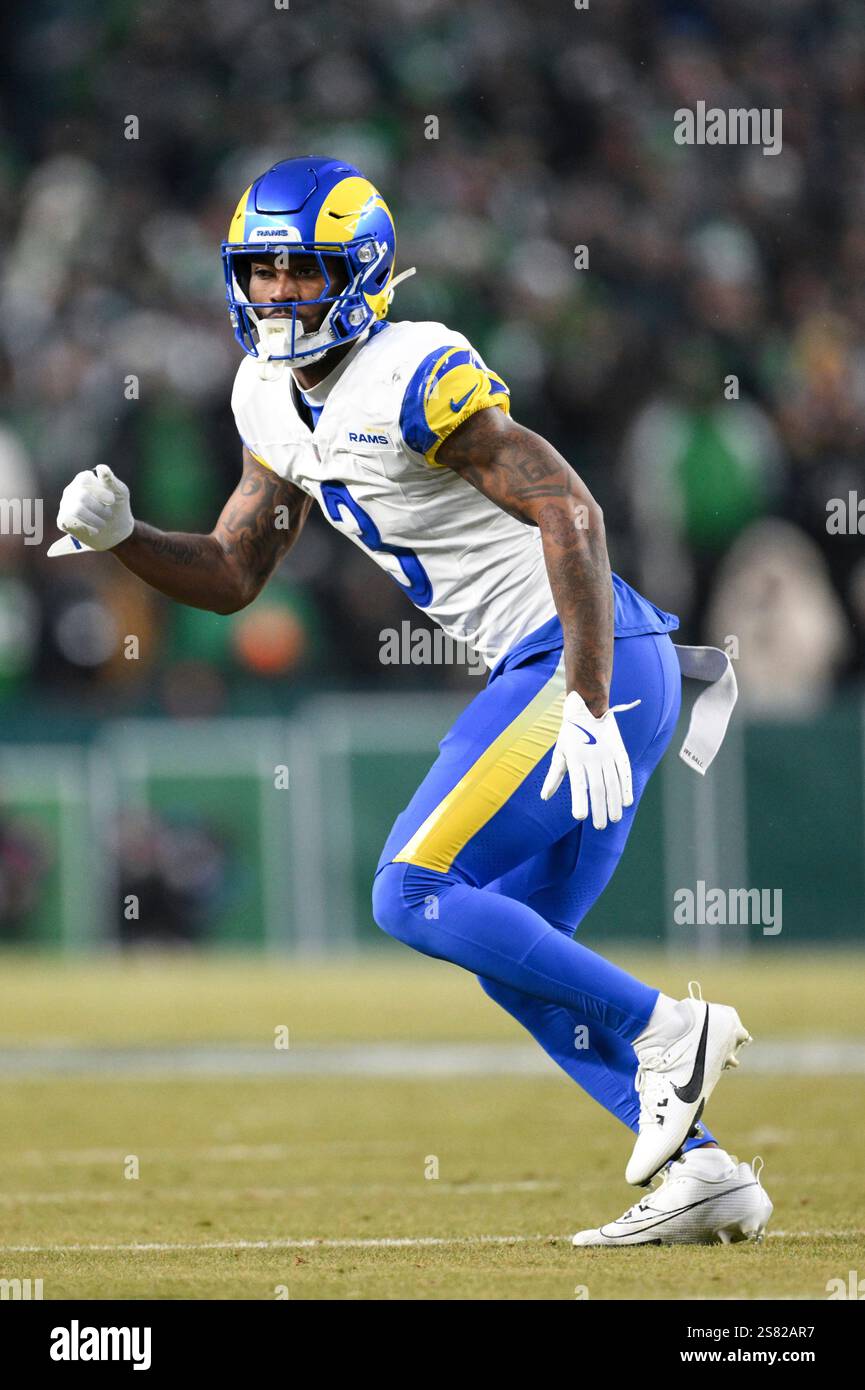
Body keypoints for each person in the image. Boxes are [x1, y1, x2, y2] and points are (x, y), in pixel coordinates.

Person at [51, 156, 771, 1245]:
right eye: (264, 271)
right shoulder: (266, 395)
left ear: (365, 271)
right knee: (512, 952)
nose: (281, 293)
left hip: (583, 658)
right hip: (589, 668)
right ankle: (706, 1172)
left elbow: (568, 509)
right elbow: (237, 573)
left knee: (410, 888)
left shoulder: (412, 366)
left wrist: (582, 695)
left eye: (305, 271)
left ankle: (670, 1027)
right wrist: (125, 541)